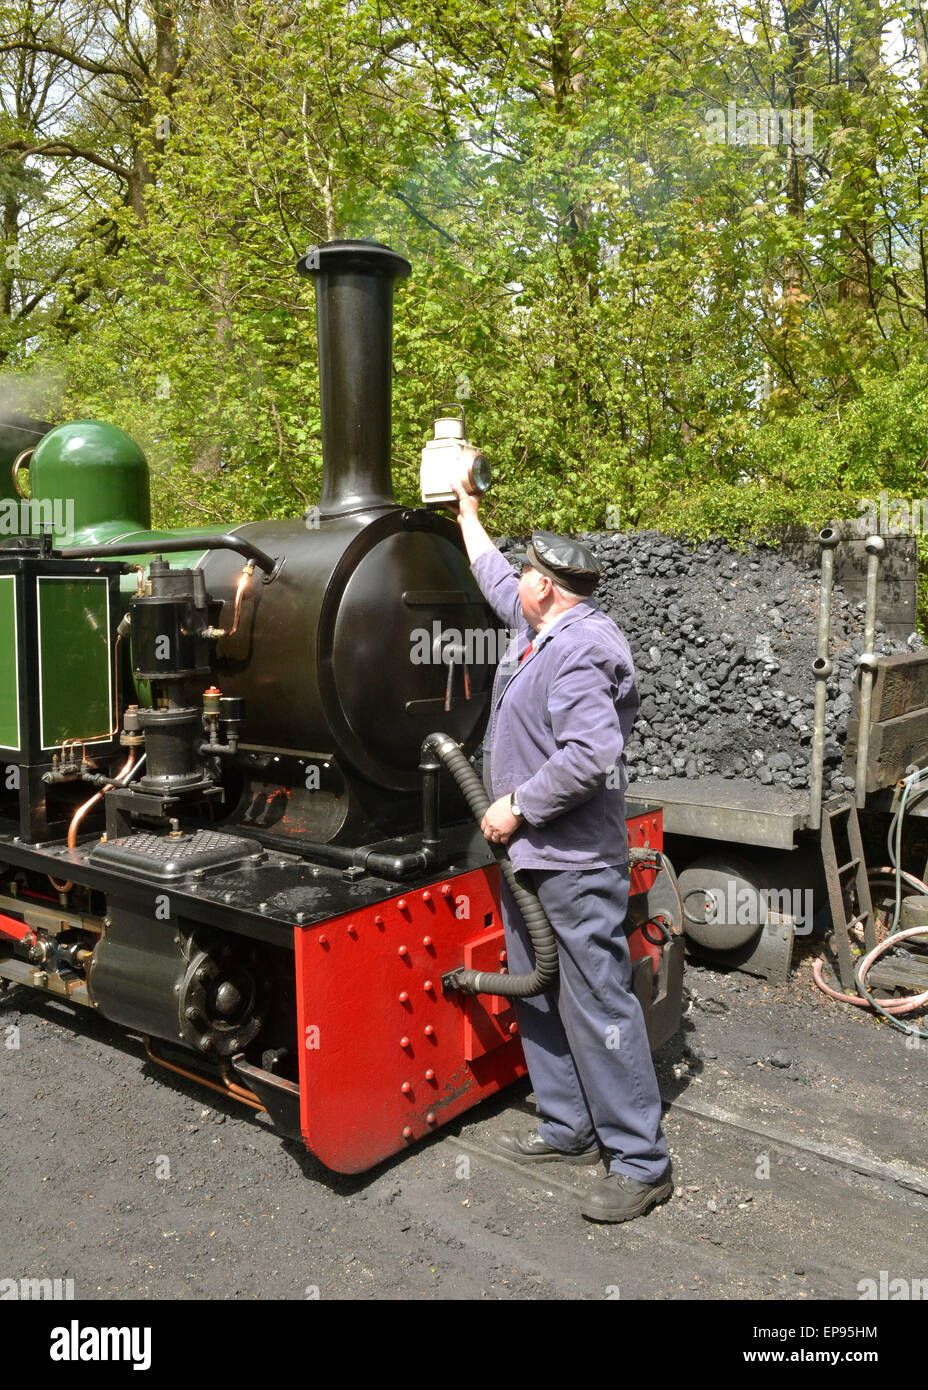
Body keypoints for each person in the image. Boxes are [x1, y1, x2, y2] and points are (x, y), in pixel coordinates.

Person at [451, 480, 672, 1223]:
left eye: (525, 574)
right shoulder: (541, 623)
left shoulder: (582, 652)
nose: (516, 581)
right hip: (530, 860)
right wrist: (468, 516)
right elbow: (492, 578)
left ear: (545, 586)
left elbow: (589, 756)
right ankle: (567, 1125)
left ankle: (641, 1162)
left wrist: (517, 805)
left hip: (571, 862)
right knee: (537, 987)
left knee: (598, 1002)